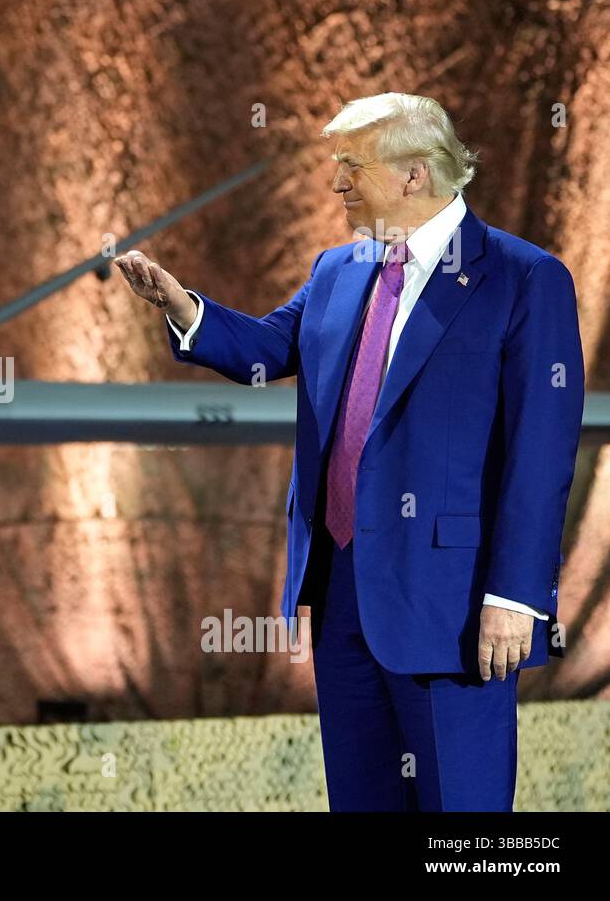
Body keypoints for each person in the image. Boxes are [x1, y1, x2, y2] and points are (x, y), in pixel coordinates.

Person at [114, 92, 584, 811]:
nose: (336, 186)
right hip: (342, 601)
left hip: (454, 611)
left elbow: (541, 454)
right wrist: (185, 308)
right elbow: (270, 351)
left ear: (413, 176)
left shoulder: (523, 280)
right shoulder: (338, 270)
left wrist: (515, 595)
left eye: (349, 168)